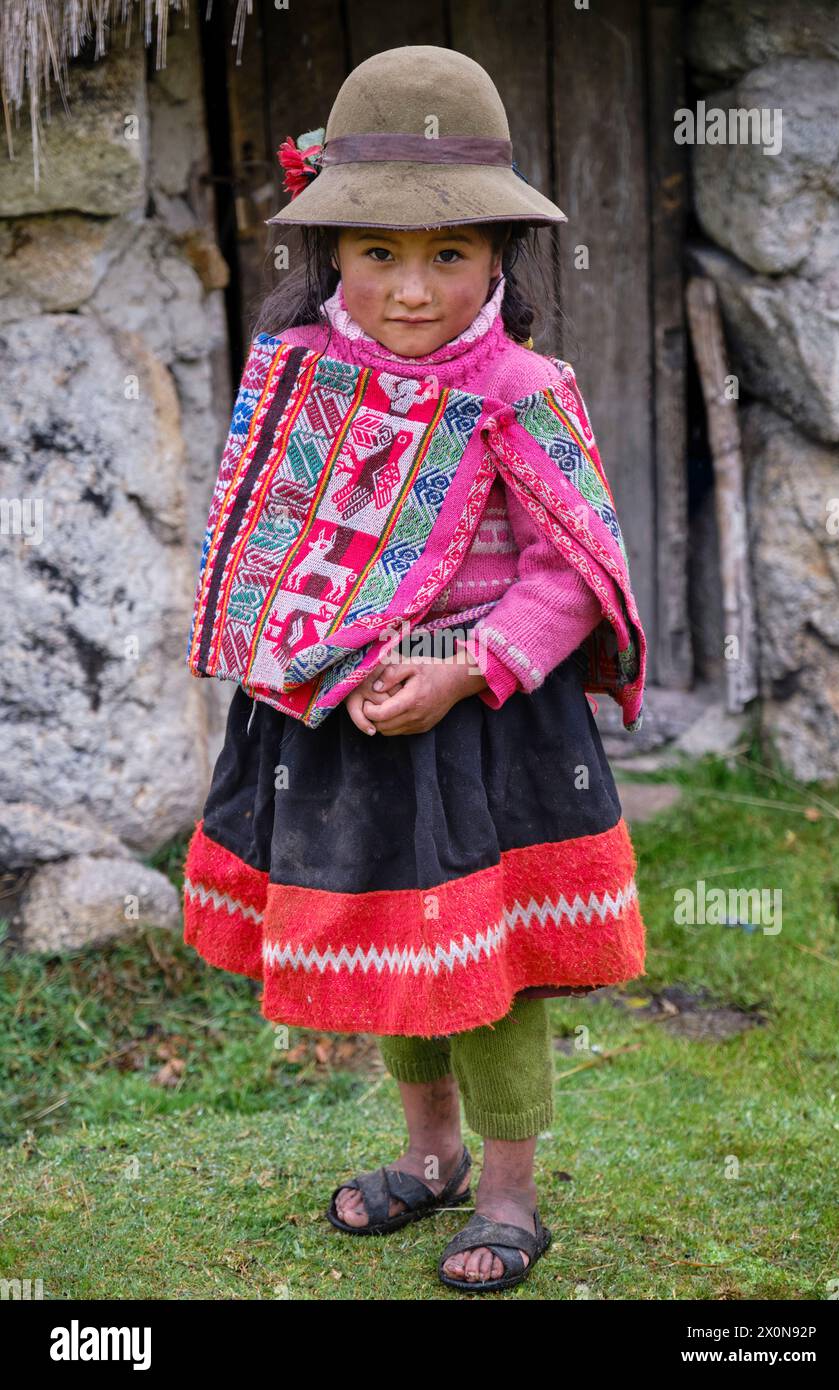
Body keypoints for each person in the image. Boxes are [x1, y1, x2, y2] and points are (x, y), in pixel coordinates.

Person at [183, 45, 648, 1295]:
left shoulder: (519, 390)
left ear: (501, 256)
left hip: (483, 723)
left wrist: (466, 666)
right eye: (377, 253)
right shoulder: (299, 383)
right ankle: (427, 1156)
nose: (408, 289)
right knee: (405, 944)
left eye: (447, 255)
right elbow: (275, 547)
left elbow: (574, 571)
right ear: (330, 253)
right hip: (348, 719)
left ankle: (507, 1193)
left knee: (494, 973)